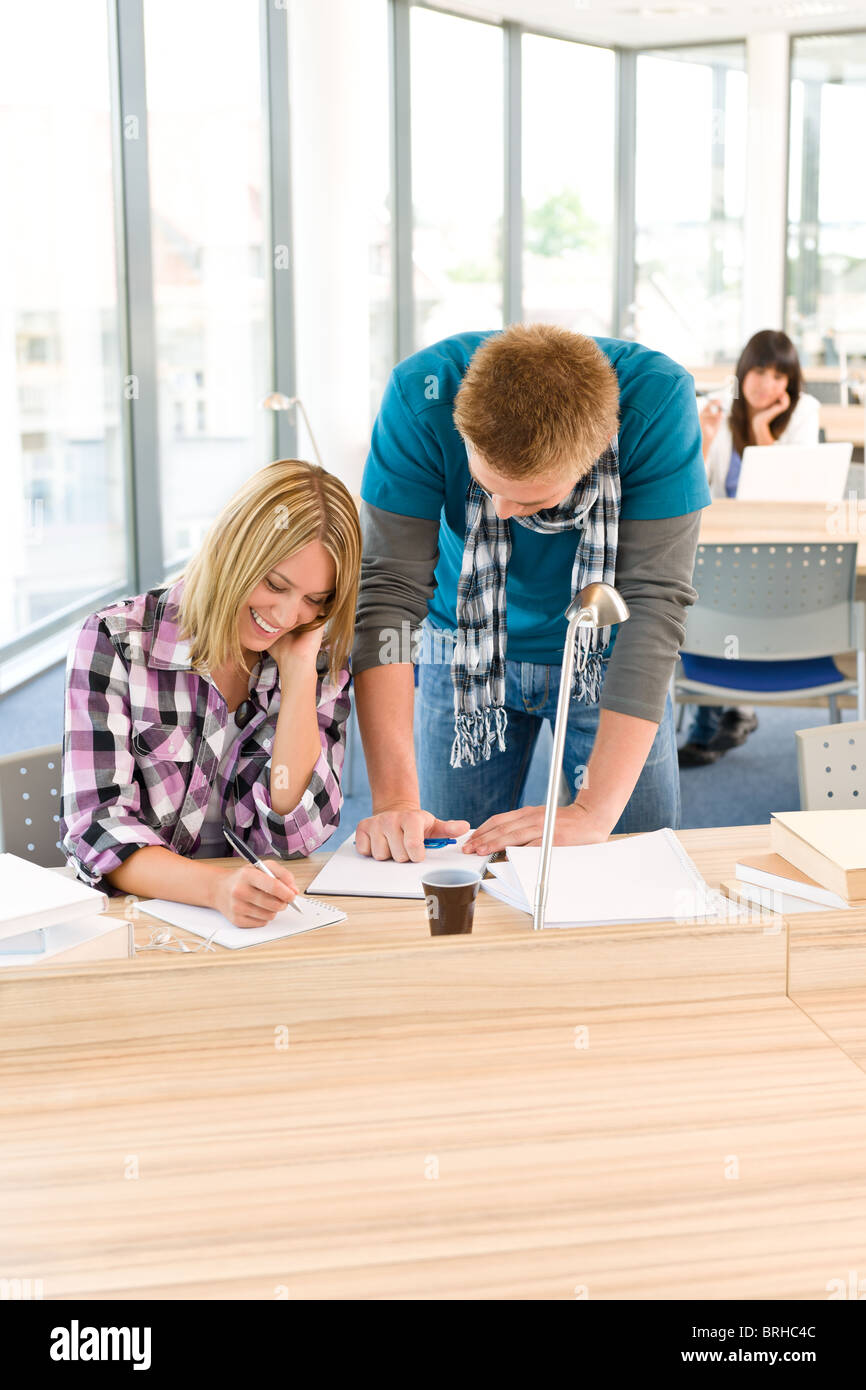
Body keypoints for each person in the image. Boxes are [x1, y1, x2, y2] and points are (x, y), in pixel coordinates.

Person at [351, 323, 712, 863]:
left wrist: (593, 811)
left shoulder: (660, 400)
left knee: (634, 861)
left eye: (530, 499)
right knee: (455, 864)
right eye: (488, 486)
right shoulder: (418, 393)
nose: (499, 512)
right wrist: (397, 800)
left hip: (605, 657)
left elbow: (654, 604)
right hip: (464, 652)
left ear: (590, 460)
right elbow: (389, 597)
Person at [61, 459, 361, 927]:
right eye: (275, 585)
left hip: (255, 925)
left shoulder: (312, 651)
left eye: (314, 600)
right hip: (133, 923)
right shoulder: (115, 639)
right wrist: (217, 889)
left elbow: (292, 835)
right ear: (233, 551)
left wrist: (300, 676)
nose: (286, 615)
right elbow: (99, 828)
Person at [679, 329, 820, 767]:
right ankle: (731, 710)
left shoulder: (803, 412)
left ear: (791, 383)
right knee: (697, 592)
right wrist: (702, 436)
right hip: (721, 548)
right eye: (759, 370)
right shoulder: (716, 410)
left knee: (717, 596)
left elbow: (787, 494)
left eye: (780, 376)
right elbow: (692, 490)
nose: (767, 384)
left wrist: (761, 429)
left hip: (783, 550)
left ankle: (728, 712)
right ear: (743, 370)